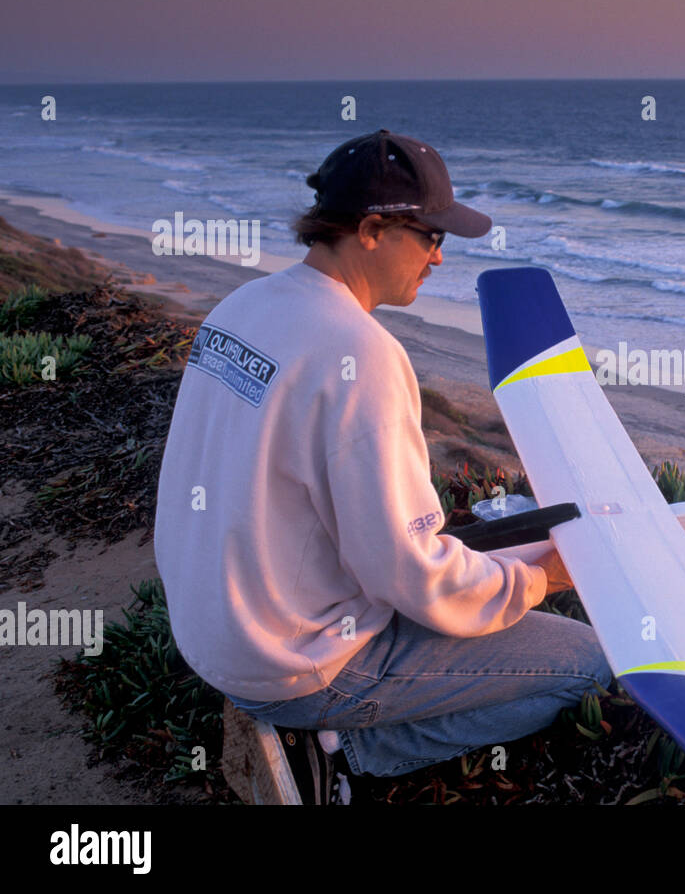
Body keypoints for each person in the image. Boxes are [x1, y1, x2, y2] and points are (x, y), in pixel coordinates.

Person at [153, 129, 612, 804]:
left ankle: (326, 729)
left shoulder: (244, 307)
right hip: (297, 664)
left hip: (215, 630)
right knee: (585, 666)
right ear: (371, 229)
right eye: (430, 237)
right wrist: (535, 579)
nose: (438, 259)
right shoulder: (359, 352)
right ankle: (346, 754)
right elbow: (408, 572)